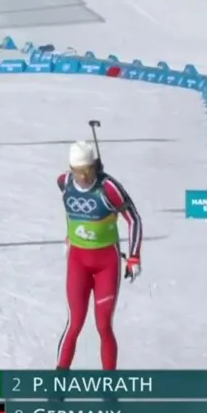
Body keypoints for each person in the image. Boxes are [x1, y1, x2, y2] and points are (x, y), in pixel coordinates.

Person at [56, 140, 143, 370]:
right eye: (78, 171)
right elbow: (70, 209)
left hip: (106, 264)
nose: (83, 177)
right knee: (74, 323)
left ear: (95, 166)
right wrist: (70, 235)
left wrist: (134, 256)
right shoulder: (64, 182)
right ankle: (59, 379)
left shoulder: (109, 188)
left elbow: (134, 219)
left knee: (103, 326)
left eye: (87, 170)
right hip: (78, 261)